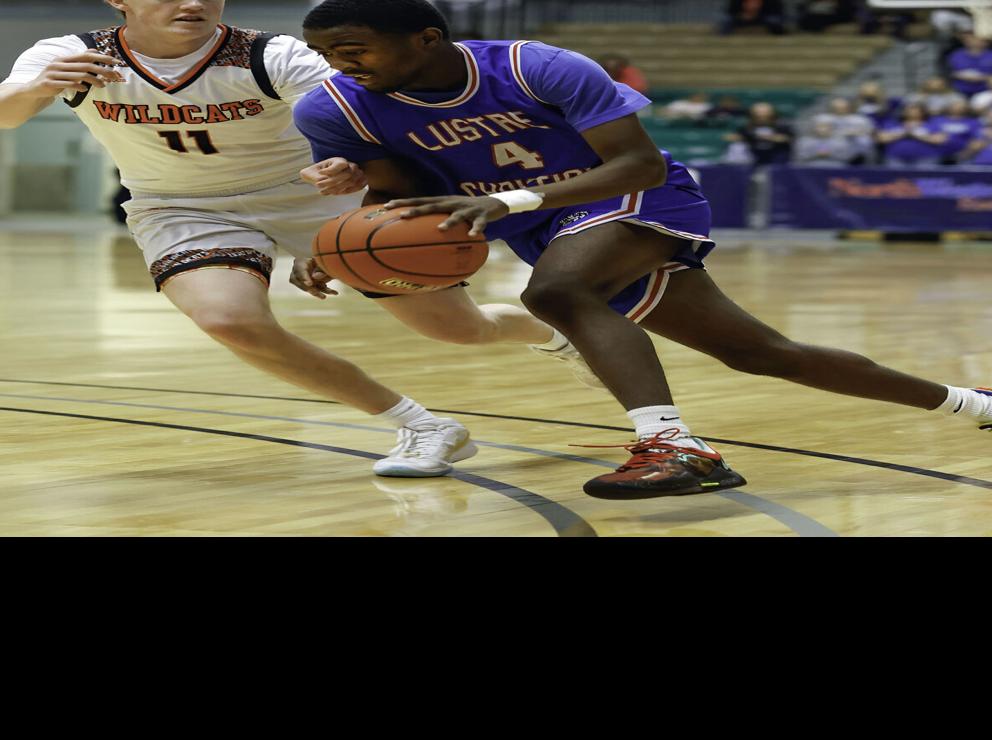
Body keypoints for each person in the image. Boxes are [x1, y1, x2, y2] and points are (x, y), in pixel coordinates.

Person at [294, 0, 992, 498]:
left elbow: (638, 160)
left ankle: (676, 448)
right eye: (329, 54)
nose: (340, 65)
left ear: (427, 38)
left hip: (635, 197)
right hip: (544, 224)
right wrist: (333, 244)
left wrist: (506, 200)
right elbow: (396, 196)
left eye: (355, 47)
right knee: (763, 354)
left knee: (554, 294)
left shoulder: (532, 65)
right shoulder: (336, 109)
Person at [0, 0, 598, 479]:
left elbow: (362, 112)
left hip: (316, 197)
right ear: (120, 2)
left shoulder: (270, 55)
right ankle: (422, 425)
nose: (194, 3)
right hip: (180, 205)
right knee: (228, 319)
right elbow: (6, 114)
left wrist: (353, 162)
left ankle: (549, 335)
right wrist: (33, 89)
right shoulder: (69, 55)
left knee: (455, 327)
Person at [875, 103, 946, 167]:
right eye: (909, 109)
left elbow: (940, 140)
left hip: (926, 158)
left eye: (915, 109)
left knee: (924, 180)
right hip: (895, 158)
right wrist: (903, 134)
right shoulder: (892, 124)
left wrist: (916, 135)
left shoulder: (931, 124)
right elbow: (881, 139)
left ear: (922, 112)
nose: (912, 112)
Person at [724, 101, 793, 165]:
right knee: (737, 147)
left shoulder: (781, 125)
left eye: (765, 112)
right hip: (753, 152)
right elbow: (732, 137)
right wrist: (750, 137)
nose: (761, 115)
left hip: (776, 152)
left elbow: (786, 138)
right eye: (758, 112)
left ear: (772, 113)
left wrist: (767, 137)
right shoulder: (747, 126)